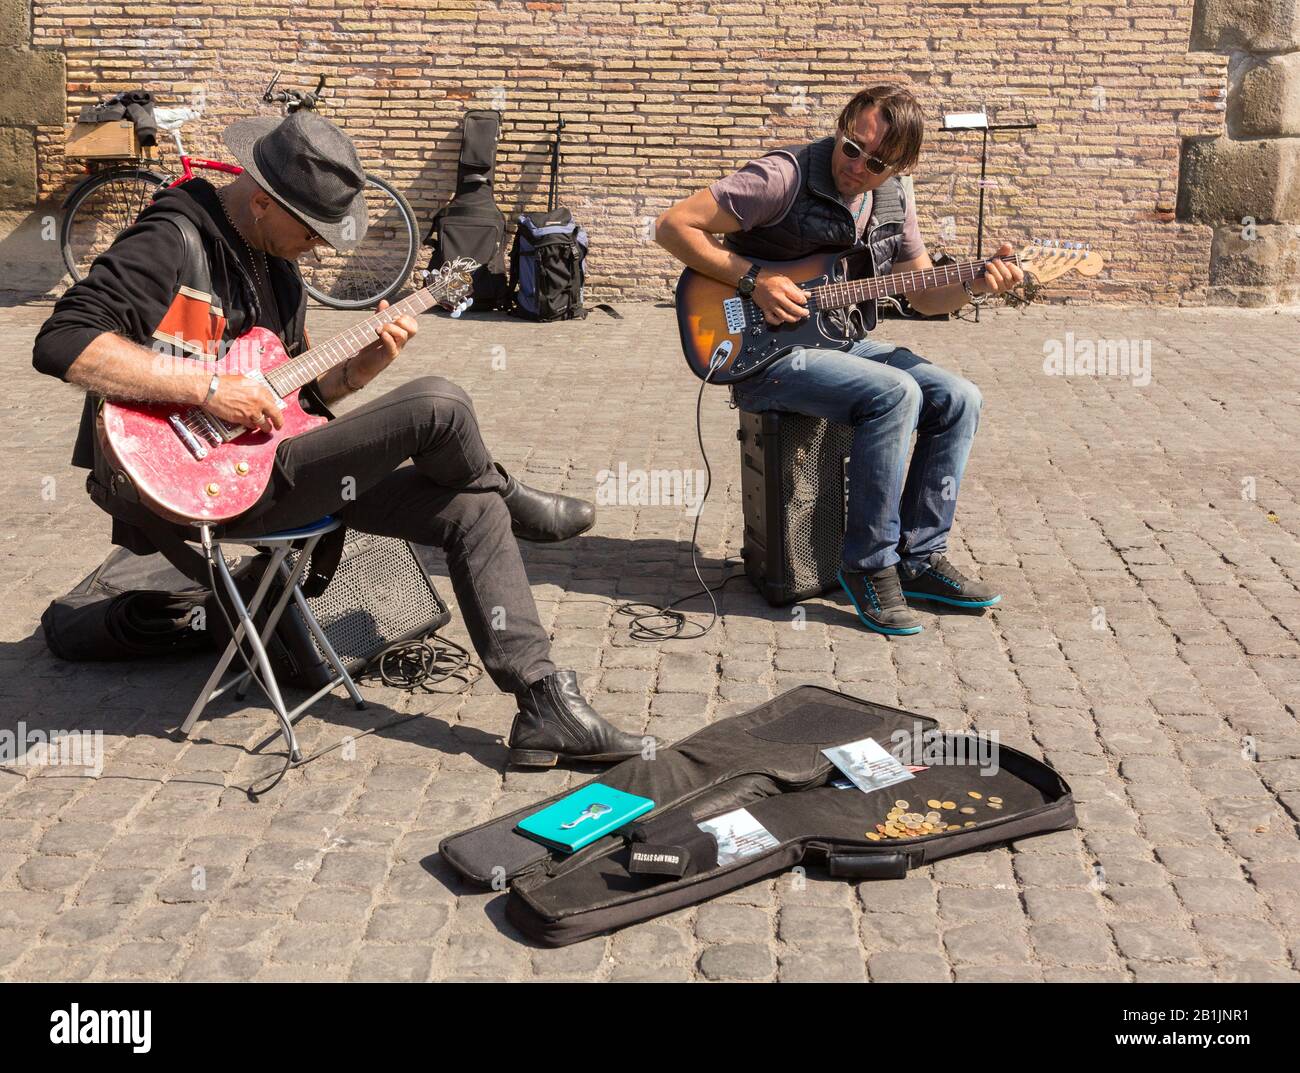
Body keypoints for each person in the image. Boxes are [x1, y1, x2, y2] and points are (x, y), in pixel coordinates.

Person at [33, 110, 642, 768]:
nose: (319, 247)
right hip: (200, 476)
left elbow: (300, 405)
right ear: (263, 203)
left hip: (274, 465)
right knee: (438, 402)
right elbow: (61, 343)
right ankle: (508, 486)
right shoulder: (174, 237)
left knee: (473, 511)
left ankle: (542, 701)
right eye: (311, 230)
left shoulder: (280, 269)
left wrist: (356, 372)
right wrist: (206, 390)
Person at [656, 85, 1024, 636]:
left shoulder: (897, 196)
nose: (857, 167)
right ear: (843, 124)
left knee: (957, 397)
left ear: (901, 165)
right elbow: (673, 226)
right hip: (764, 354)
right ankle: (870, 565)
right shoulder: (783, 176)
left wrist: (973, 284)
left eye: (877, 162)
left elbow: (922, 293)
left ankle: (919, 559)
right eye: (851, 147)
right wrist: (753, 281)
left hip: (841, 340)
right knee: (895, 393)